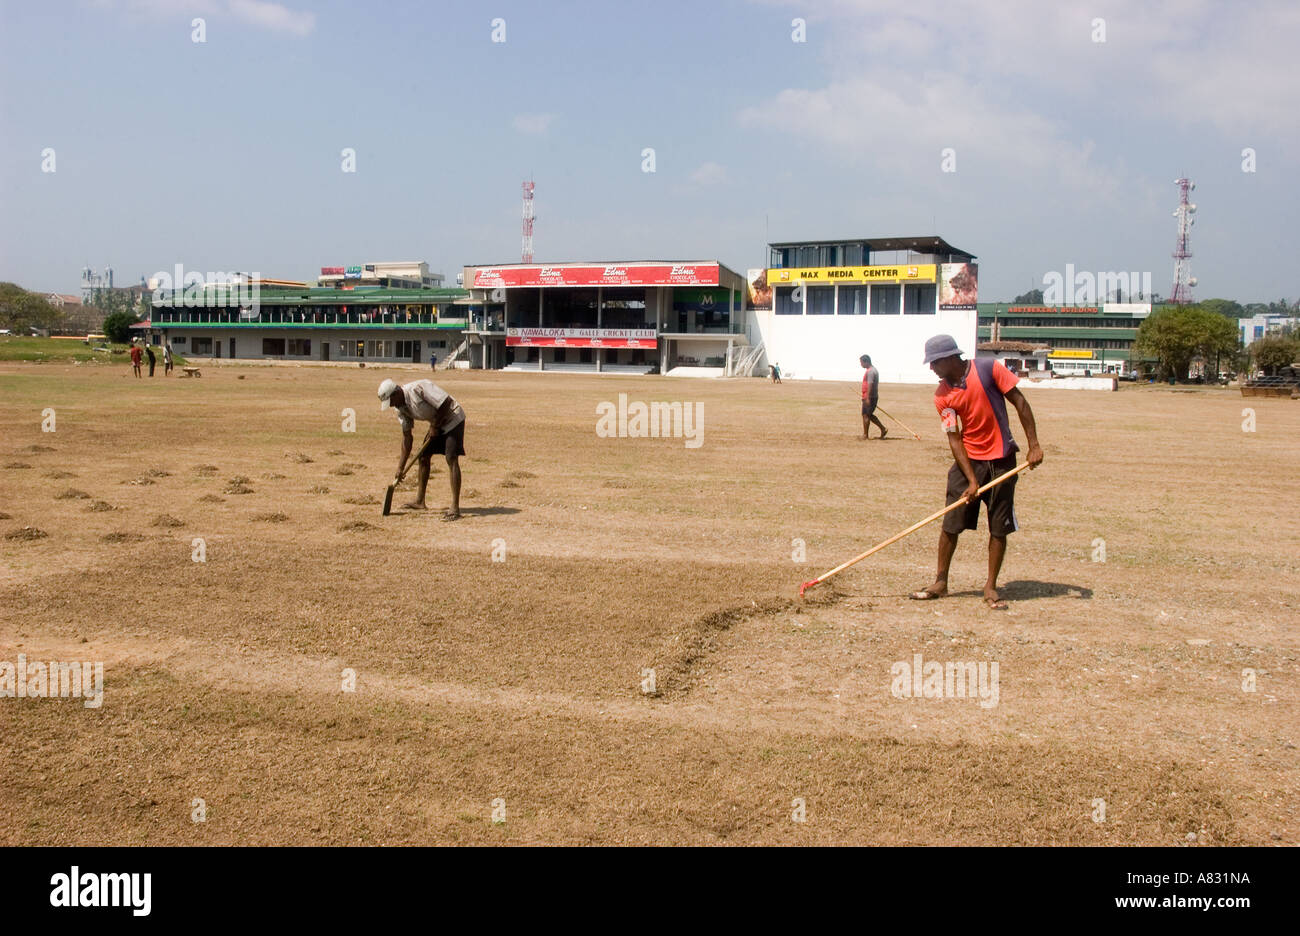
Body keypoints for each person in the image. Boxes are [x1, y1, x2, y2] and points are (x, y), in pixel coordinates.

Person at [910, 335, 1043, 610]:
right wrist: (970, 479)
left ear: (950, 358)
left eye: (934, 362)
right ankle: (941, 581)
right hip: (969, 462)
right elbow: (954, 438)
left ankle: (991, 586)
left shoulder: (989, 369)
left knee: (998, 527)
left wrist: (1034, 446)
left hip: (1003, 460)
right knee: (951, 523)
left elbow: (1020, 403)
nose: (931, 368)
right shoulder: (942, 396)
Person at [378, 378, 466, 520]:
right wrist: (400, 467)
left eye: (391, 402)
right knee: (423, 456)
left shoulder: (418, 388)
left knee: (451, 457)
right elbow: (407, 438)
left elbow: (446, 402)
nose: (391, 406)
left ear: (396, 393)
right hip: (437, 423)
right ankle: (420, 501)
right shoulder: (400, 409)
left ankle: (455, 507)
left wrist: (434, 426)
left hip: (453, 418)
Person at [859, 354, 887, 440]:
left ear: (866, 362)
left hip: (870, 397)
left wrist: (867, 397)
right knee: (869, 415)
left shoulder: (871, 371)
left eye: (861, 363)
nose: (861, 364)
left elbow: (870, 385)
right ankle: (883, 429)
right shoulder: (873, 370)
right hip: (871, 396)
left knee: (865, 415)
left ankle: (865, 435)